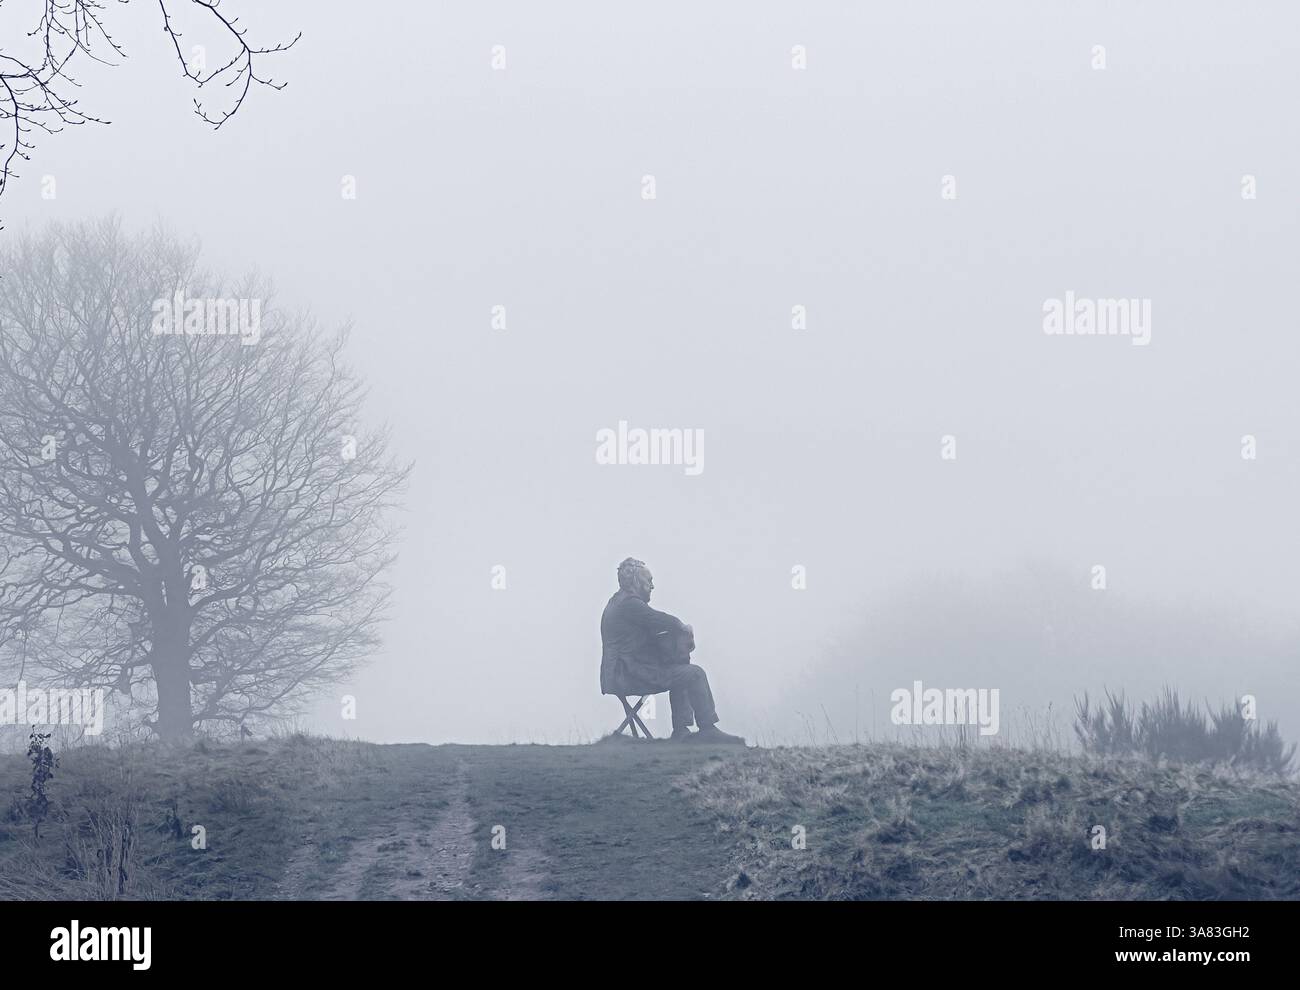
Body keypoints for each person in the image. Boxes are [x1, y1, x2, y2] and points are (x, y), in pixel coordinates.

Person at [599, 557, 744, 744]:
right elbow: (658, 619)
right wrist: (683, 627)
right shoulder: (629, 604)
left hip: (620, 673)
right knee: (695, 674)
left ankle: (682, 730)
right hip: (627, 675)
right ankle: (706, 728)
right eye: (648, 581)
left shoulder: (618, 602)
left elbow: (647, 633)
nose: (652, 586)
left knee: (679, 665)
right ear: (635, 582)